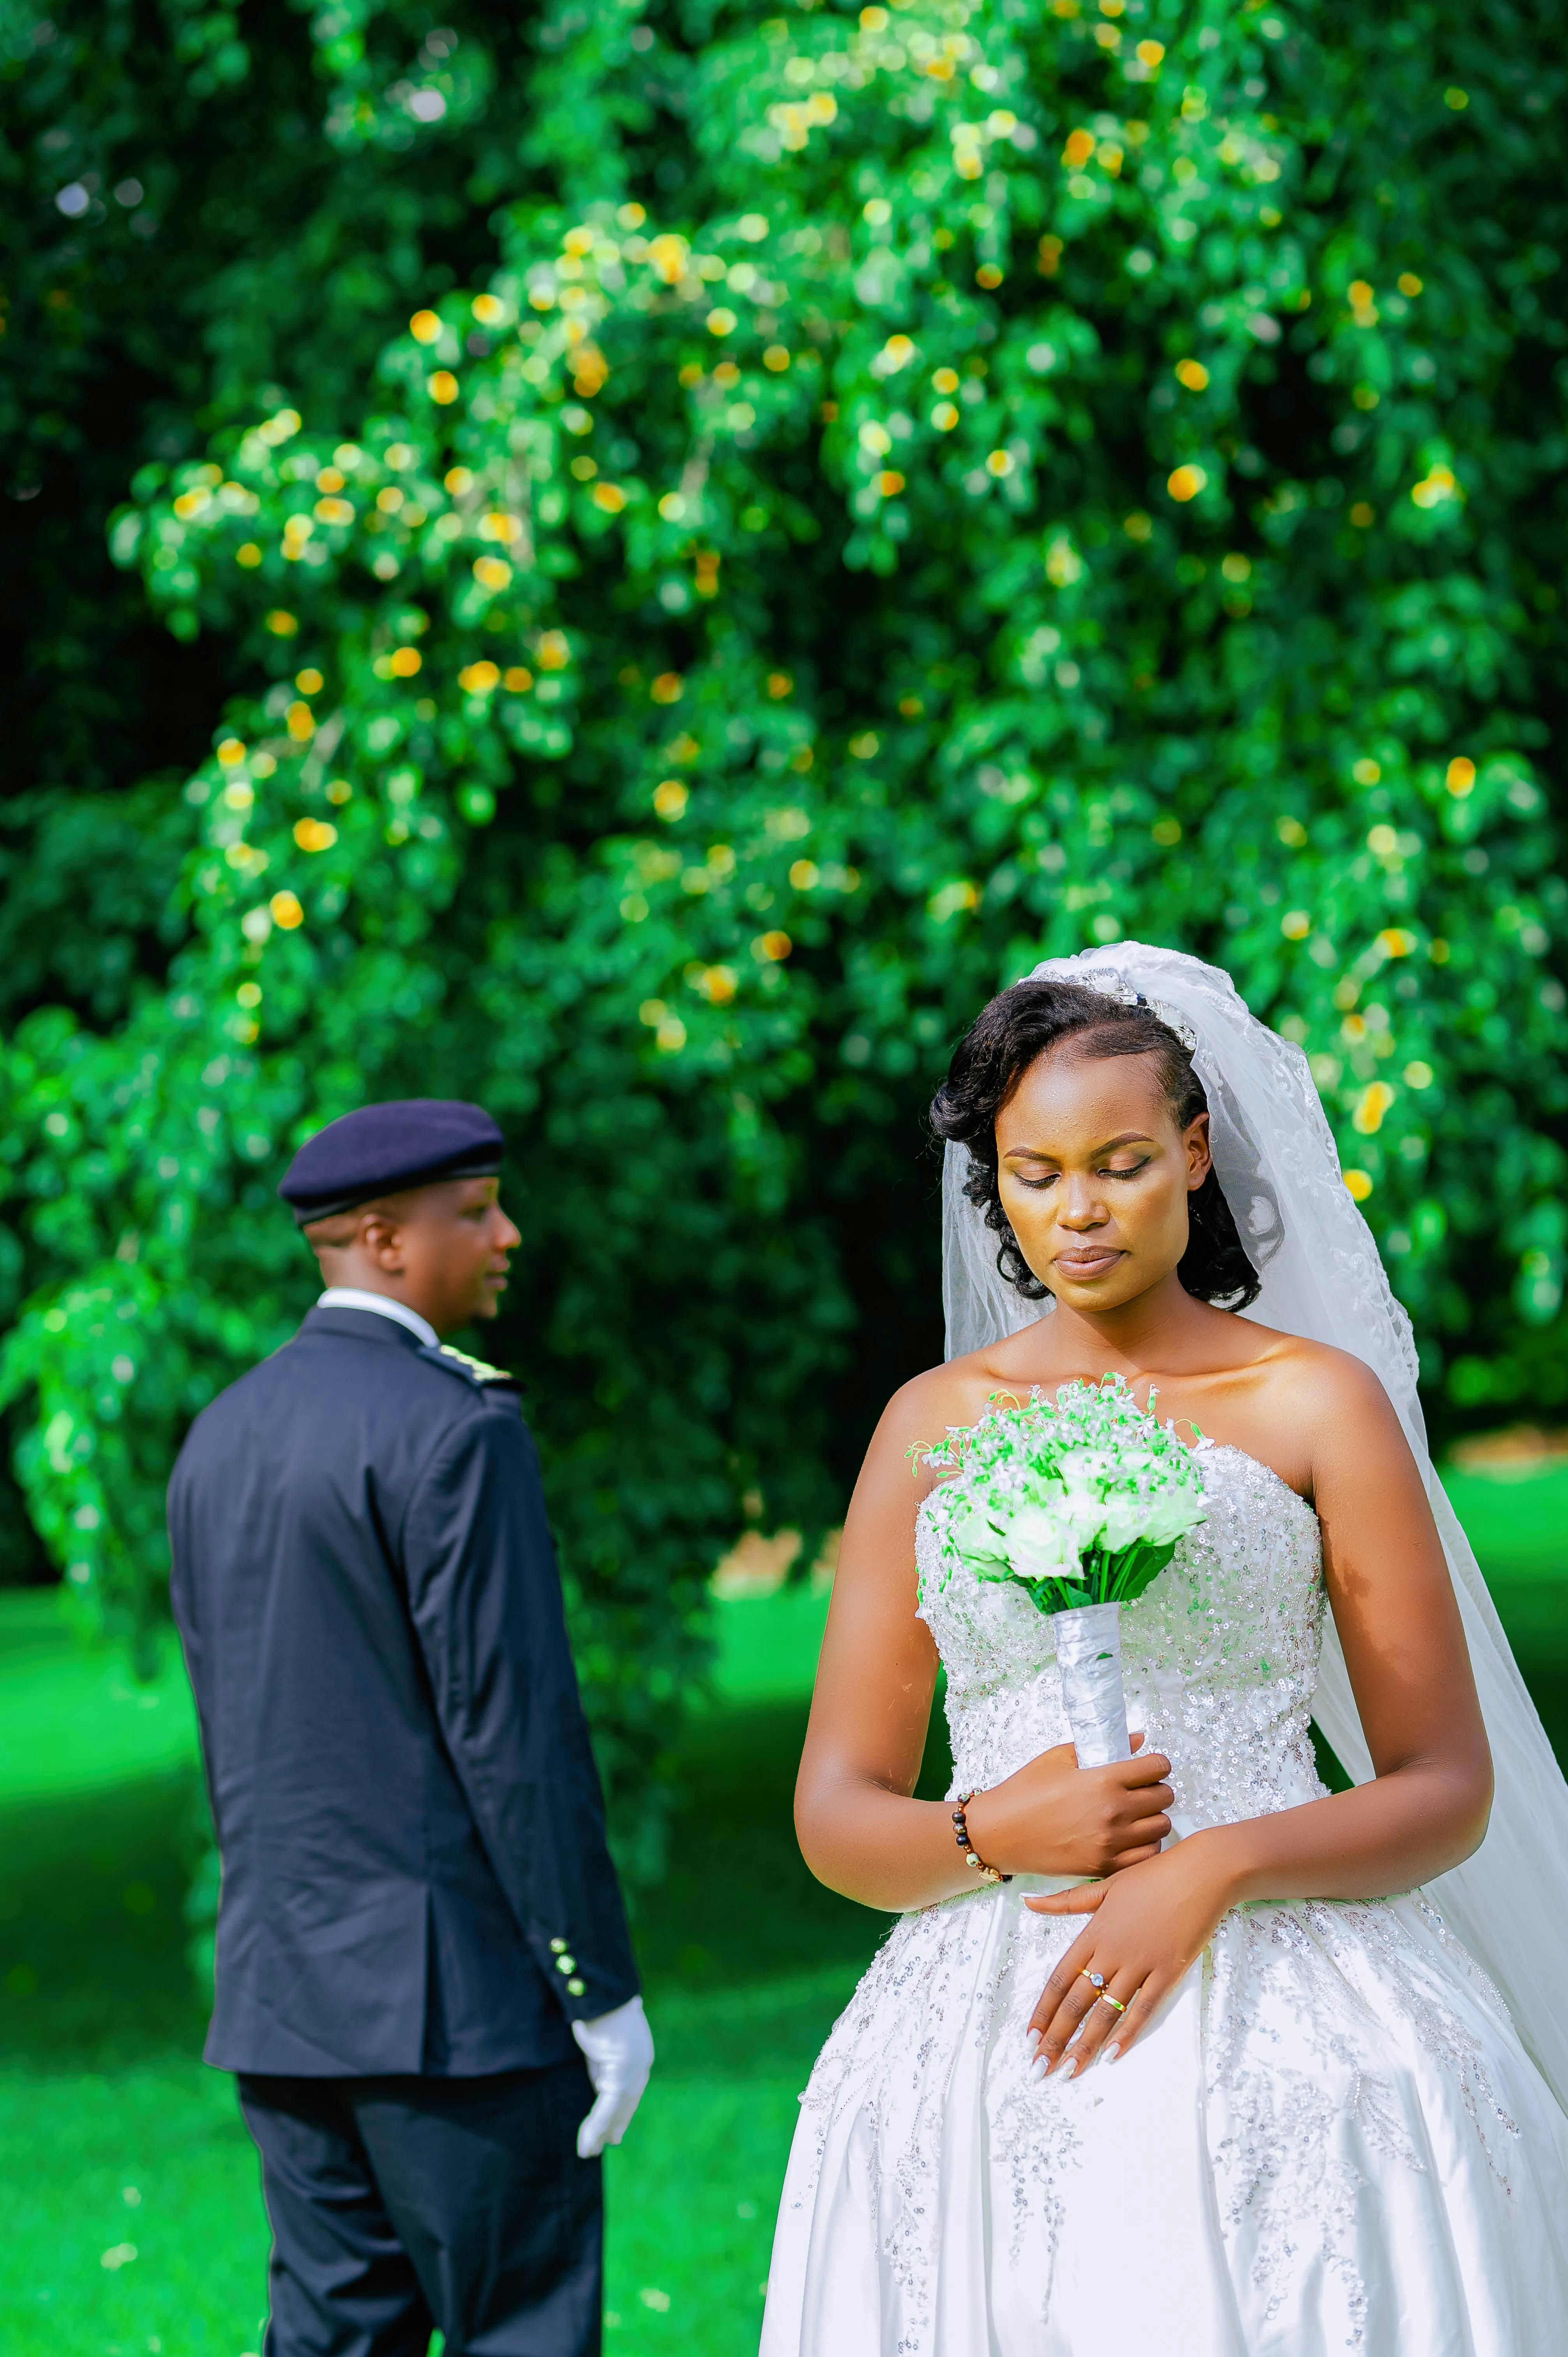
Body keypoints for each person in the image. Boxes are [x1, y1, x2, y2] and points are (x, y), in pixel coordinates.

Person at [760, 945, 1568, 2355]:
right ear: (994, 1184)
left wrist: (1211, 1865)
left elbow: (1445, 1786)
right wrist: (992, 1829)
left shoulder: (1317, 1404)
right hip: (987, 2024)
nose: (1077, 1212)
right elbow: (836, 1815)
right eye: (1035, 1173)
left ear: (1195, 1154)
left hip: (1303, 1992)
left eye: (1121, 1162)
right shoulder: (927, 1425)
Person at [168, 1098, 653, 2357]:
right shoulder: (457, 1426)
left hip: (283, 1998)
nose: (509, 1234)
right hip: (462, 2017)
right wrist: (596, 1988)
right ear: (384, 1238)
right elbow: (517, 1738)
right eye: (477, 1210)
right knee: (519, 2334)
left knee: (333, 2340)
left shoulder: (220, 1435)